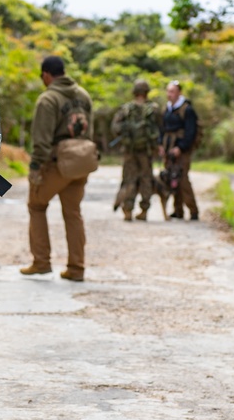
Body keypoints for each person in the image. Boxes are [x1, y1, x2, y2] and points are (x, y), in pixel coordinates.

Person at [20, 56, 94, 282]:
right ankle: (76, 268)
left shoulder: (48, 99)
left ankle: (41, 262)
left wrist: (35, 167)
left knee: (36, 205)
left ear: (46, 75)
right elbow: (90, 131)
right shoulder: (83, 95)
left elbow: (41, 140)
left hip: (56, 163)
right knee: (73, 213)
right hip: (81, 162)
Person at [111, 80, 161, 221]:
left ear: (134, 92)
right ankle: (144, 211)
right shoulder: (154, 109)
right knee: (146, 179)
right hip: (147, 151)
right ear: (146, 92)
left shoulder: (126, 109)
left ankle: (128, 210)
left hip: (130, 150)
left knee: (129, 179)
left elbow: (115, 127)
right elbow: (160, 128)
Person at [159, 81, 199, 220]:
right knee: (171, 179)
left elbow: (191, 132)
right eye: (168, 91)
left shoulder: (187, 109)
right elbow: (162, 129)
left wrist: (181, 147)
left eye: (172, 91)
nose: (169, 94)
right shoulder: (167, 109)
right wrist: (161, 145)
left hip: (182, 150)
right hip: (168, 148)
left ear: (179, 92)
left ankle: (193, 211)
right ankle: (178, 210)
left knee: (182, 179)